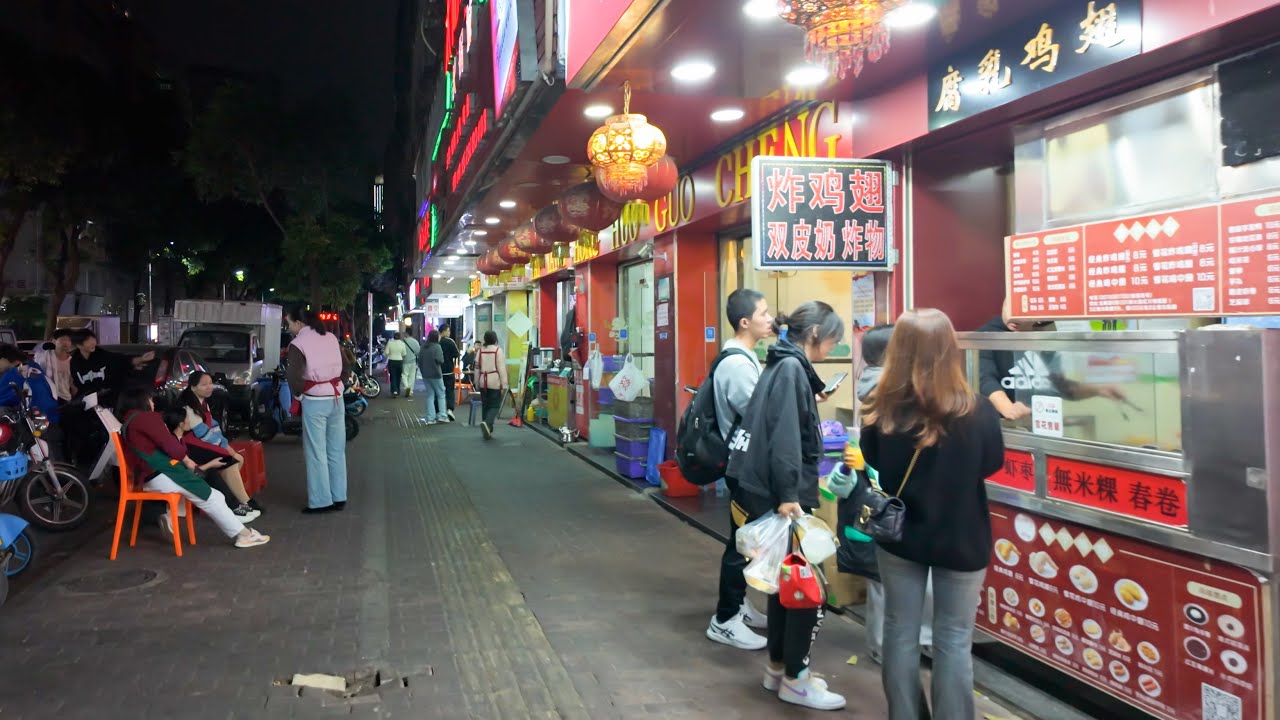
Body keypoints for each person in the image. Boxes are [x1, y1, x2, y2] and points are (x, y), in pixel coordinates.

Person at [861, 308, 1004, 720]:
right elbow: (991, 463)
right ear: (948, 350)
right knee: (953, 639)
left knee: (899, 631)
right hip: (962, 537)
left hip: (901, 537)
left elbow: (874, 460)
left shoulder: (882, 409)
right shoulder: (978, 410)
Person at [725, 301, 847, 711]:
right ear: (814, 335)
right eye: (831, 341)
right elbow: (786, 438)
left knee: (784, 583)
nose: (831, 349)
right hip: (782, 497)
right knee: (804, 588)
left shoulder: (782, 362)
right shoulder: (792, 368)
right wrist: (790, 496)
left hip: (766, 490)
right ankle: (796, 677)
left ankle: (778, 668)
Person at [848, 324, 934, 665]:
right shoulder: (887, 390)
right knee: (891, 574)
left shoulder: (876, 384)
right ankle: (892, 644)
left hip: (882, 489)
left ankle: (887, 642)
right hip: (890, 490)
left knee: (886, 574)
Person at [115, 386, 269, 548]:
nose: (153, 402)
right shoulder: (146, 418)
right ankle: (244, 535)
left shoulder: (128, 422)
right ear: (141, 400)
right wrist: (187, 459)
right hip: (164, 474)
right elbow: (172, 447)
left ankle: (169, 517)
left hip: (151, 477)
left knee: (213, 496)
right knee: (214, 497)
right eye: (150, 399)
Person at [706, 288, 773, 651]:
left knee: (747, 540)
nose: (770, 318)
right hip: (743, 466)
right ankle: (725, 619)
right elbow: (760, 414)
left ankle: (740, 605)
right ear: (745, 322)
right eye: (763, 313)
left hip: (745, 463)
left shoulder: (744, 357)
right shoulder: (736, 364)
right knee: (742, 543)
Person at [978, 297, 1123, 421]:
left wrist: (1099, 390)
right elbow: (985, 379)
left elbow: (1058, 385)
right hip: (1002, 425)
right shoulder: (986, 336)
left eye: (1022, 310)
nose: (1013, 317)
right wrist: (1009, 409)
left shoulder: (1043, 338)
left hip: (1039, 425)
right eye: (1009, 307)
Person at [285, 305, 351, 514]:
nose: (288, 328)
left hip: (314, 400)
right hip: (336, 398)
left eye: (289, 323)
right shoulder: (331, 337)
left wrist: (299, 395)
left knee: (316, 452)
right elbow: (347, 367)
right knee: (336, 450)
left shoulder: (297, 343)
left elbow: (293, 376)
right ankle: (339, 496)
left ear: (299, 323)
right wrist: (338, 385)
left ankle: (321, 501)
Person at [179, 372, 261, 518]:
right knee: (228, 460)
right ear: (192, 387)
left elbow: (214, 426)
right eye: (204, 385)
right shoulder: (189, 406)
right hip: (190, 447)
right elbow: (203, 434)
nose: (209, 387)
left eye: (210, 383)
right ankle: (242, 502)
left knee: (237, 459)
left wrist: (225, 444)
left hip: (200, 444)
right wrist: (225, 448)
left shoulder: (203, 402)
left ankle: (232, 499)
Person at [70, 329, 153, 402]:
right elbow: (75, 382)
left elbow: (122, 360)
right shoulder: (74, 361)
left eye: (93, 339)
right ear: (79, 345)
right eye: (88, 340)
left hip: (106, 399)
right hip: (85, 401)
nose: (93, 343)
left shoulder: (103, 356)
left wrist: (141, 358)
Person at [474, 330, 507, 439]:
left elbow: (477, 368)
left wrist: (476, 382)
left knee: (485, 405)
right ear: (495, 339)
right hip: (494, 381)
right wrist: (504, 384)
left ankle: (487, 428)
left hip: (483, 381)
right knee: (494, 405)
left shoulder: (480, 351)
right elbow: (501, 369)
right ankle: (487, 423)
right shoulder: (498, 350)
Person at [418, 330, 447, 424]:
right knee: (441, 394)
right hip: (436, 374)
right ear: (436, 337)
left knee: (430, 396)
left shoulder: (423, 347)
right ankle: (442, 415)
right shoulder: (437, 347)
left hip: (426, 375)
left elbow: (419, 361)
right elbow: (441, 360)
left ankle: (430, 418)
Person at [439, 325, 460, 421]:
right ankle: (449, 409)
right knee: (450, 391)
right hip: (449, 371)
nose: (449, 333)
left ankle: (439, 411)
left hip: (438, 371)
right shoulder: (450, 341)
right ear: (443, 331)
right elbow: (456, 354)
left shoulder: (436, 341)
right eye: (448, 331)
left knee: (439, 392)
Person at [385, 332, 408, 397]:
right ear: (400, 337)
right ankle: (397, 390)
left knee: (393, 376)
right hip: (399, 361)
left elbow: (386, 352)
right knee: (398, 376)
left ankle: (394, 391)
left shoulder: (390, 343)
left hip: (391, 361)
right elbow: (404, 354)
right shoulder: (402, 344)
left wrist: (389, 354)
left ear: (393, 336)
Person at [402, 332, 421, 398]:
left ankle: (407, 387)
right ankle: (410, 391)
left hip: (404, 361)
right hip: (413, 361)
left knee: (404, 375)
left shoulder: (403, 341)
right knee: (412, 376)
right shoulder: (415, 341)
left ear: (406, 333)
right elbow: (418, 351)